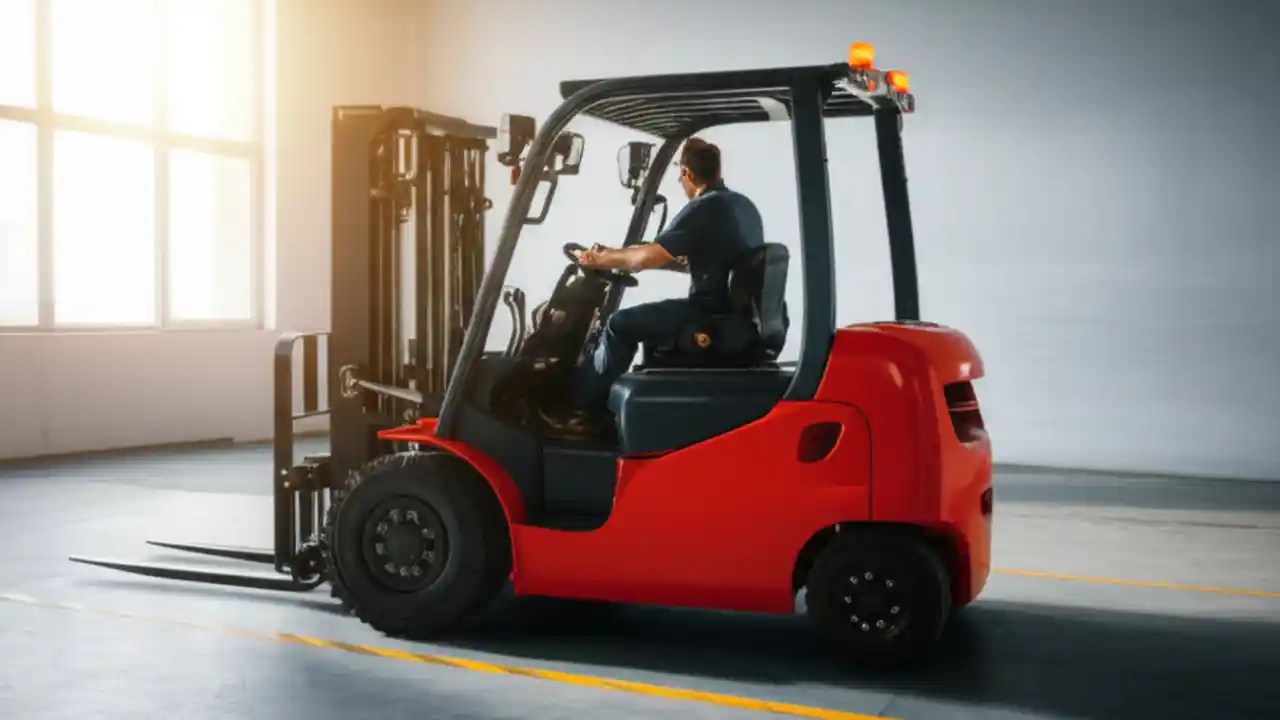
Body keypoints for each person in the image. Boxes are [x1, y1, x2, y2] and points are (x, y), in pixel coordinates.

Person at [548, 137, 764, 434]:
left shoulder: (705, 207)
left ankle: (579, 412)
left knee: (619, 325)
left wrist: (599, 258)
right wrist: (615, 255)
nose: (680, 181)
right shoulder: (741, 205)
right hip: (733, 315)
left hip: (709, 313)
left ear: (687, 173)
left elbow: (646, 257)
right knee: (642, 325)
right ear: (717, 170)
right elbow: (690, 260)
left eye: (679, 175)